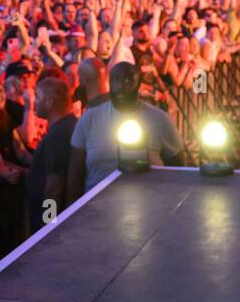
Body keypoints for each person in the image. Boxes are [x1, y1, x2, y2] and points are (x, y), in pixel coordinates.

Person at [67, 62, 184, 200]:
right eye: (115, 80)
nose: (119, 86)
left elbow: (178, 168)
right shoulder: (89, 118)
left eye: (128, 80)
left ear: (139, 84)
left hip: (148, 202)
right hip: (97, 207)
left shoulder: (159, 118)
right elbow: (74, 174)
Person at [24, 76, 77, 232]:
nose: (35, 103)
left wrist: (49, 223)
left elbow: (54, 184)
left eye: (38, 97)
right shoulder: (68, 125)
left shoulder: (58, 134)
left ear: (49, 102)